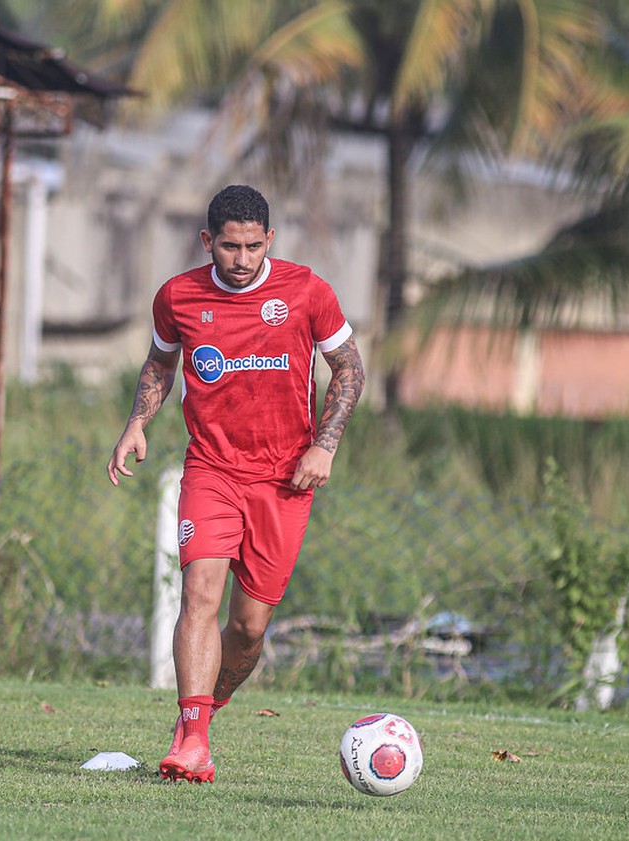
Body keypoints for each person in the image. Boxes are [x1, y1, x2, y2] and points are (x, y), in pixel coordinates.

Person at [107, 184, 365, 783]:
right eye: (229, 246)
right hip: (212, 469)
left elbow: (349, 369)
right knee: (199, 594)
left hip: (286, 480)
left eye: (253, 246)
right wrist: (137, 424)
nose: (242, 259)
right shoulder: (178, 296)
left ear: (269, 240)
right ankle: (191, 738)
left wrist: (324, 445)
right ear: (208, 242)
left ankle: (205, 713)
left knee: (247, 631)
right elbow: (159, 361)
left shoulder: (307, 291)